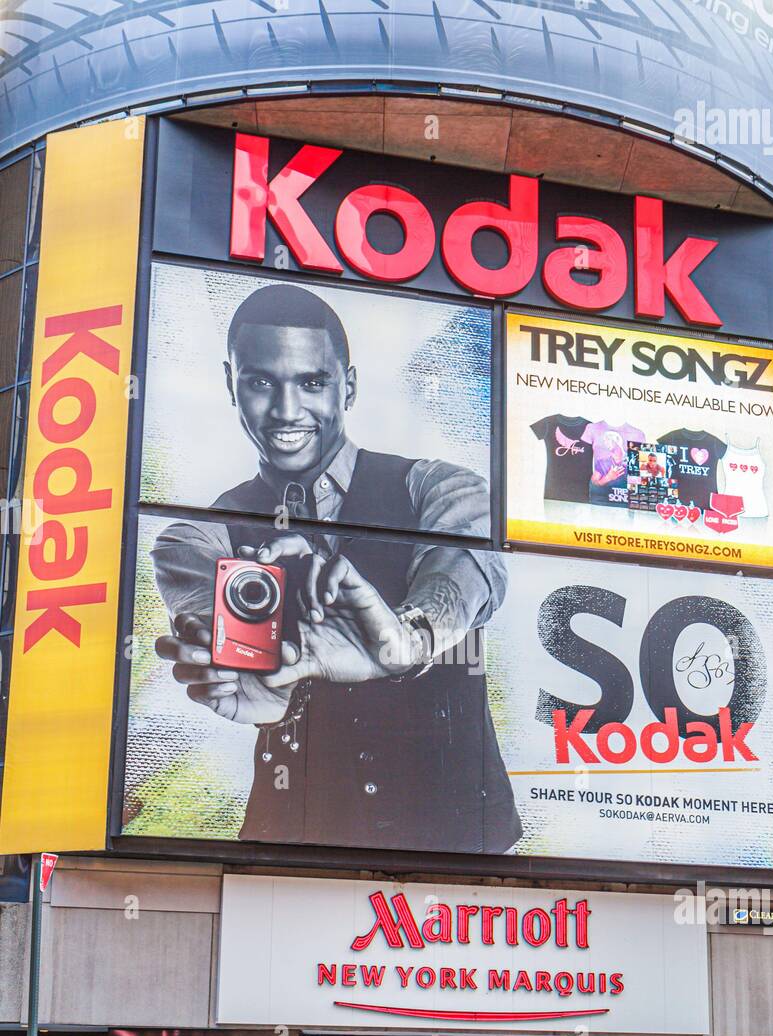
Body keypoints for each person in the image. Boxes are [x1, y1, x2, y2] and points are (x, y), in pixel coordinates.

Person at [152, 283, 521, 855]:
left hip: (463, 863)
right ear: (231, 385)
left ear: (349, 386)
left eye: (312, 382)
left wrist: (409, 638)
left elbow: (466, 565)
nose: (286, 410)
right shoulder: (196, 535)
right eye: (260, 382)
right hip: (289, 858)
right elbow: (211, 611)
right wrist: (262, 688)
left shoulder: (439, 488)